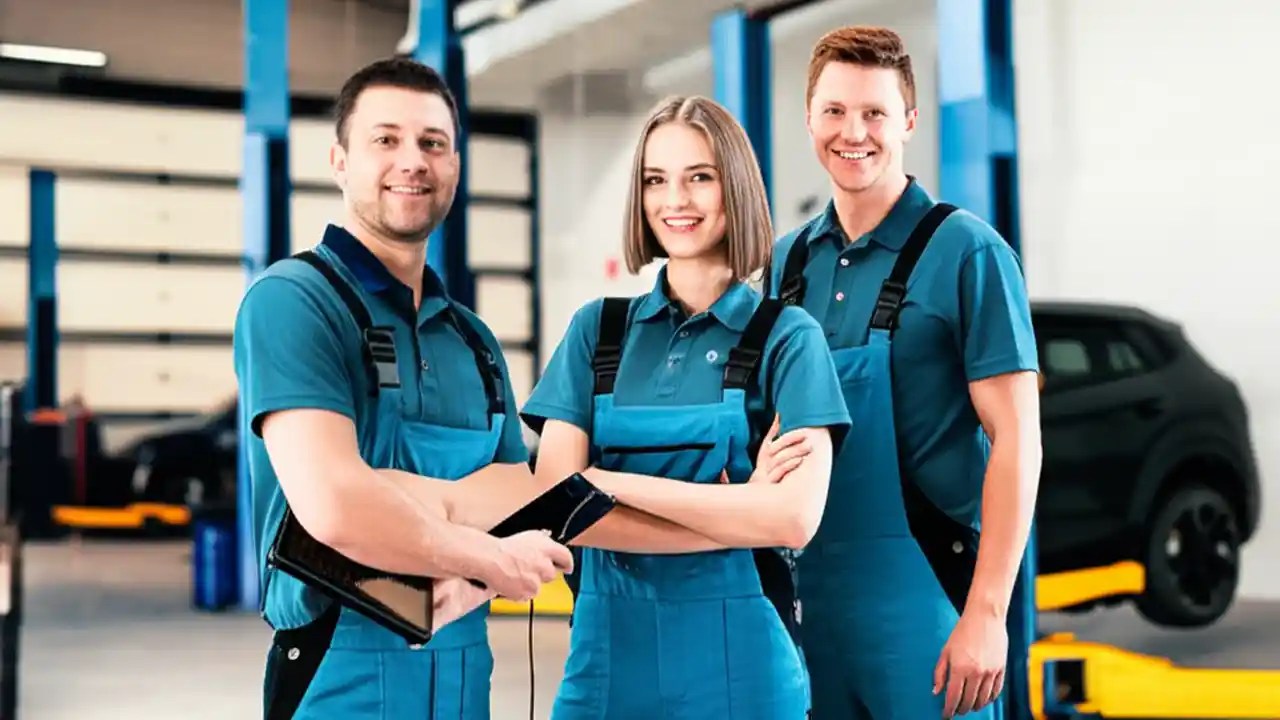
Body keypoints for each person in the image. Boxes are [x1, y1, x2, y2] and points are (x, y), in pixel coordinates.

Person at [232, 57, 575, 720]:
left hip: (463, 674)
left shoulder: (472, 340)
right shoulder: (294, 302)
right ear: (339, 160)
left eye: (433, 143)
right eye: (385, 140)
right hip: (338, 674)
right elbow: (333, 508)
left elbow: (521, 492)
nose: (412, 161)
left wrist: (402, 496)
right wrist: (487, 553)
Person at [520, 95, 853, 719]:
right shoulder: (597, 332)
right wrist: (735, 509)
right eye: (656, 180)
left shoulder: (788, 337)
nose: (675, 200)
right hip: (605, 667)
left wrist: (606, 482)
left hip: (744, 671)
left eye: (699, 177)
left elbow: (792, 519)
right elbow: (558, 509)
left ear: (736, 187)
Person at [766, 26, 1043, 719]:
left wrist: (986, 613)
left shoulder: (968, 252)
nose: (852, 132)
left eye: (874, 113)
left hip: (928, 603)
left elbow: (1018, 441)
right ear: (808, 118)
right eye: (834, 111)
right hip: (811, 608)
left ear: (909, 123)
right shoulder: (787, 264)